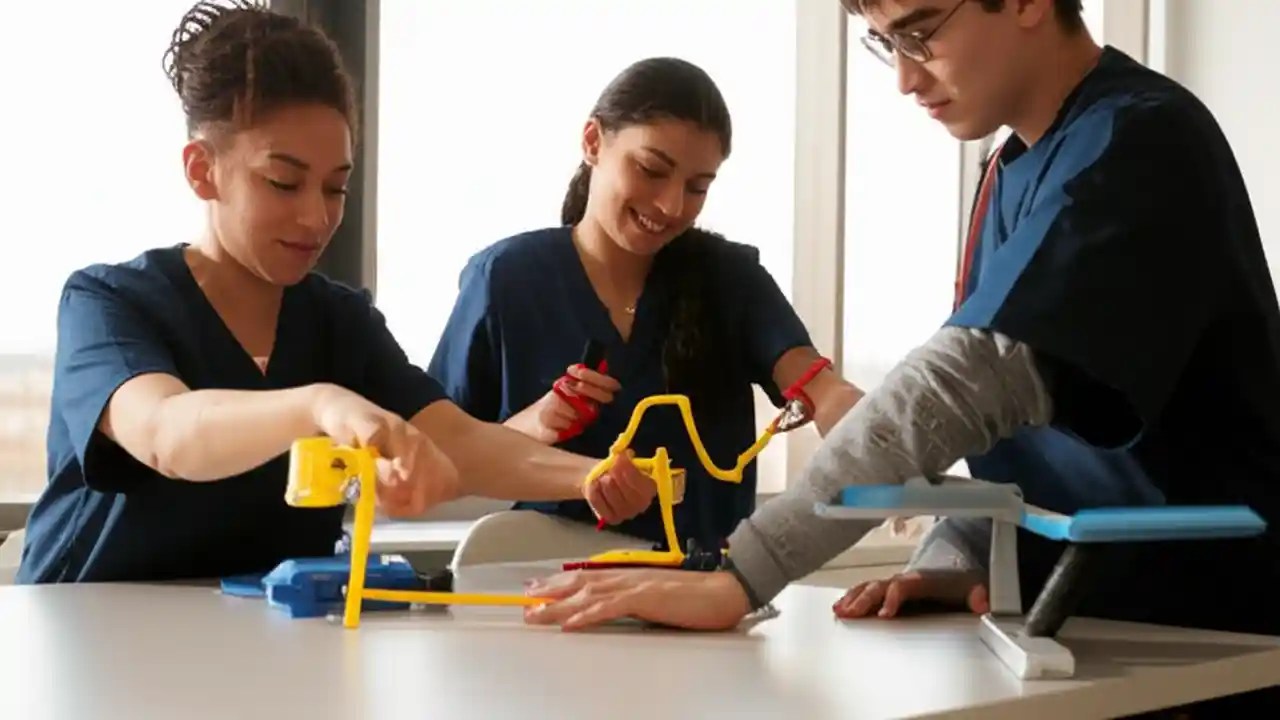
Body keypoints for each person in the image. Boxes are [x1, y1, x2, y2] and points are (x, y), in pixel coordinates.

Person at [524, 0, 1280, 701]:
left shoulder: (1138, 143)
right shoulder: (1009, 169)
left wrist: (740, 572)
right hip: (1070, 623)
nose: (904, 77)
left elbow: (967, 383)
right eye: (885, 44)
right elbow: (1030, 434)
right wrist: (962, 549)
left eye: (920, 34)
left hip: (1204, 638)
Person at [15, 0, 654, 585]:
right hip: (94, 642)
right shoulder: (110, 302)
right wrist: (322, 406)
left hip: (272, 647)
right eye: (283, 183)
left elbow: (455, 440)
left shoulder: (337, 320)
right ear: (202, 170)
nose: (316, 219)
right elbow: (168, 434)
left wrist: (591, 476)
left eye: (334, 188)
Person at [428, 57, 863, 551]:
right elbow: (437, 459)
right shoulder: (506, 280)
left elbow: (819, 388)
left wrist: (879, 449)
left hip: (702, 596)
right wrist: (535, 425)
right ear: (593, 141)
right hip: (545, 584)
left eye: (698, 187)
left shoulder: (730, 280)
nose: (672, 206)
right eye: (652, 170)